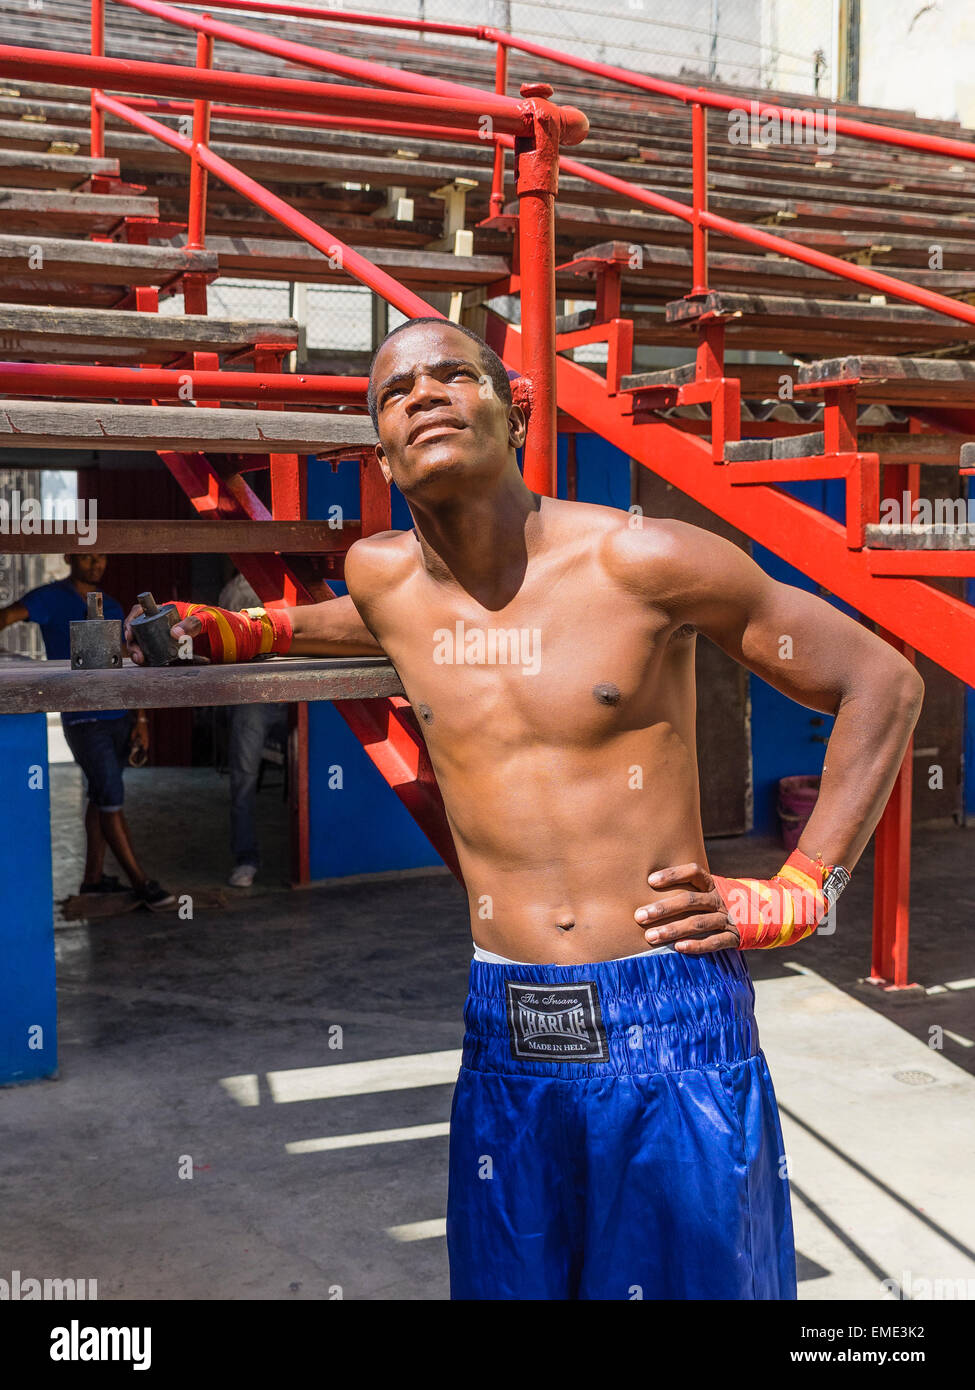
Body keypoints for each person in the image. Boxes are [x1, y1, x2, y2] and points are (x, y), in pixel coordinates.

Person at [126, 319, 923, 1300]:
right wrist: (242, 628)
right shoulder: (384, 576)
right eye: (394, 392)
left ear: (517, 412)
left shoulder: (646, 560)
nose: (421, 395)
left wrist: (805, 888)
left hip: (667, 1018)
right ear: (380, 449)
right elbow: (366, 614)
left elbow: (880, 680)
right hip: (506, 1022)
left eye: (453, 376)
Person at [2, 552, 175, 909]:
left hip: (119, 715)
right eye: (87, 557)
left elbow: (129, 661)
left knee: (100, 797)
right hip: (83, 719)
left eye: (101, 557)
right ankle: (141, 882)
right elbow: (6, 616)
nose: (96, 563)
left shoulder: (111, 605)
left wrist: (140, 720)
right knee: (111, 800)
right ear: (69, 558)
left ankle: (93, 880)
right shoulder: (48, 598)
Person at [218, 570, 287, 888]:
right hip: (254, 694)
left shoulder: (292, 580)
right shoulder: (236, 590)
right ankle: (246, 858)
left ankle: (312, 856)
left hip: (298, 685)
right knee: (244, 778)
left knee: (310, 775)